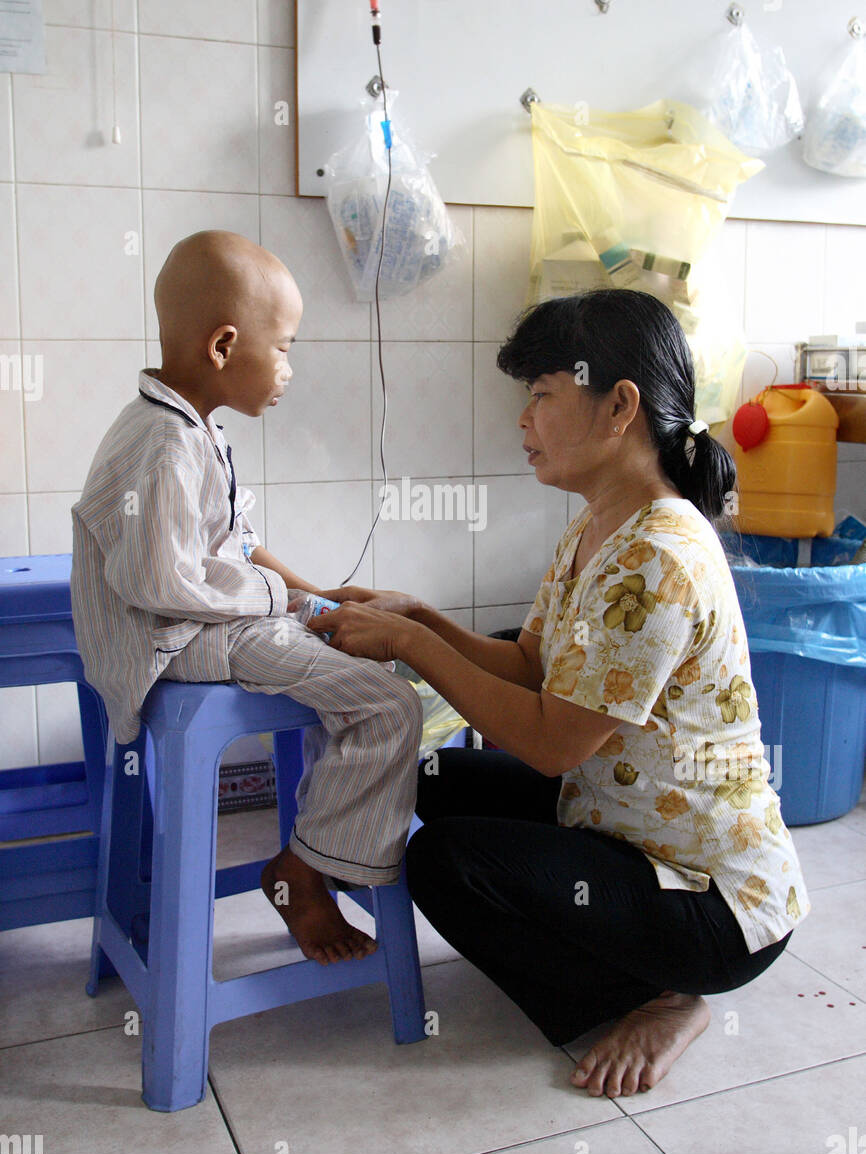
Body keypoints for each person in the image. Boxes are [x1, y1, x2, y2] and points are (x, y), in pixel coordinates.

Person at [311, 288, 811, 1099]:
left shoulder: (658, 556)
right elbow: (531, 667)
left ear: (619, 407)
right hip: (620, 820)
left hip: (713, 901)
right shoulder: (596, 525)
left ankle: (660, 998)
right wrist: (421, 617)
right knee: (429, 776)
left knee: (445, 863)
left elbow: (550, 743)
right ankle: (625, 960)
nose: (524, 420)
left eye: (542, 394)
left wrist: (408, 645)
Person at [70, 230, 423, 967]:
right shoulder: (164, 444)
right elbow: (161, 583)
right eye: (285, 347)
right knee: (389, 703)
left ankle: (321, 844)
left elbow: (237, 542)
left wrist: (309, 594)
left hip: (203, 622)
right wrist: (280, 601)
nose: (289, 368)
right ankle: (301, 871)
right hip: (170, 638)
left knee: (359, 657)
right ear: (224, 346)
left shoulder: (193, 426)